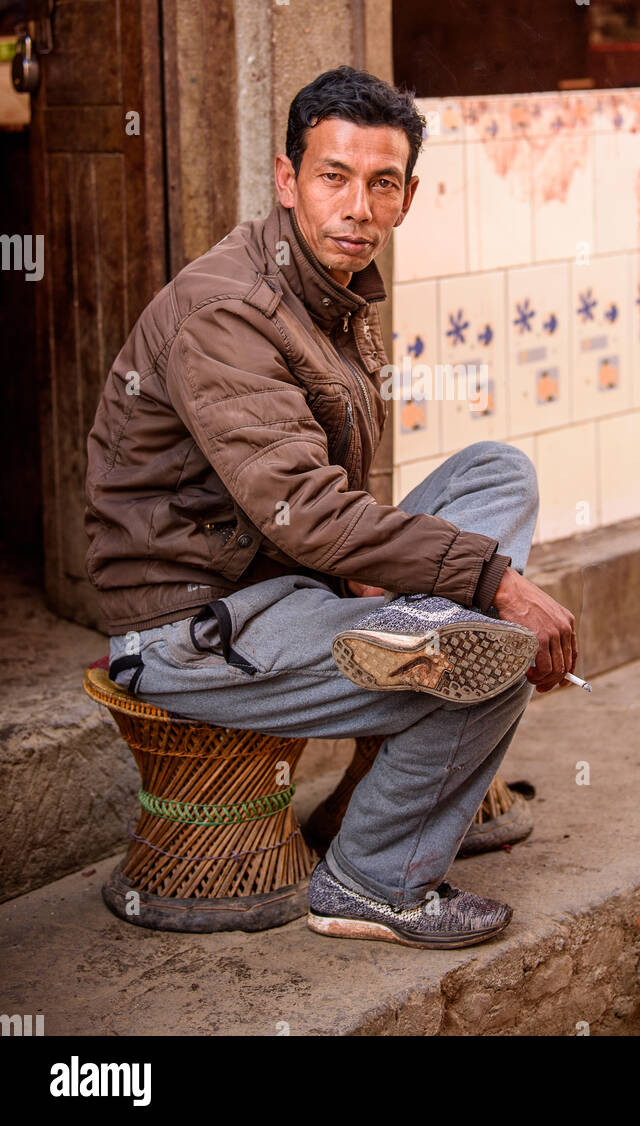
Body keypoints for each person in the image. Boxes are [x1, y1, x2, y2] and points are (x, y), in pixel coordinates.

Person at [84, 65, 577, 949]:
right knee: (487, 660)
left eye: (381, 183)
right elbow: (305, 510)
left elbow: (318, 499)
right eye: (333, 176)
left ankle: (419, 643)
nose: (358, 206)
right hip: (191, 624)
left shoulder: (329, 293)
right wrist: (489, 583)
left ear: (407, 197)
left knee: (496, 473)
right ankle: (372, 884)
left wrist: (369, 571)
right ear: (287, 180)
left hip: (289, 577)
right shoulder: (227, 310)